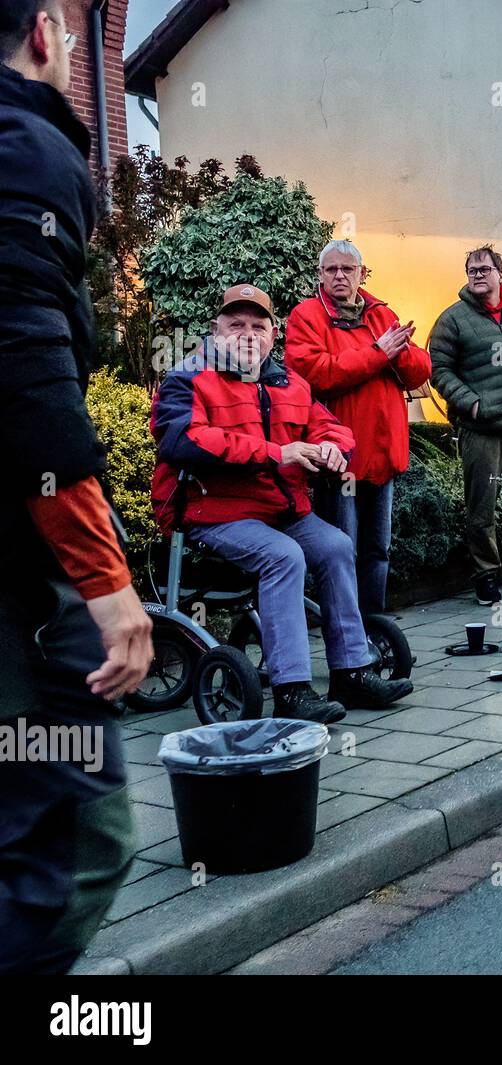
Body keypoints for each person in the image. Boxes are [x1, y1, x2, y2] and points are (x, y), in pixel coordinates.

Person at [0, 0, 150, 975]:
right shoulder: (23, 147)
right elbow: (24, 378)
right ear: (51, 34)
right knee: (76, 839)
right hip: (21, 578)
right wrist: (110, 588)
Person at [152, 285, 414, 724]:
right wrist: (277, 453)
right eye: (236, 325)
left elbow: (332, 427)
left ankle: (351, 671)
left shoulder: (290, 383)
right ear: (216, 331)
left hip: (280, 510)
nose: (248, 334)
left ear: (273, 335)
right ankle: (292, 690)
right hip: (213, 511)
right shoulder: (186, 378)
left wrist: (333, 450)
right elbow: (182, 440)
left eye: (258, 325)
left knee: (335, 545)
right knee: (284, 556)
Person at [285, 240, 432, 615]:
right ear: (319, 275)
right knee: (342, 550)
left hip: (384, 455)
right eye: (331, 269)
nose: (339, 276)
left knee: (377, 551)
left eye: (347, 269)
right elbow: (314, 374)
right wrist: (378, 353)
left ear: (360, 274)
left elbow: (419, 372)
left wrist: (401, 352)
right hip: (340, 460)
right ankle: (346, 635)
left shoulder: (381, 313)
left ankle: (374, 630)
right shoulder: (306, 316)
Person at [428, 245, 502, 604]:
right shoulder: (453, 319)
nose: (477, 275)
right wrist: (472, 405)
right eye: (471, 270)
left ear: (499, 274)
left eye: (484, 269)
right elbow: (438, 370)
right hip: (481, 429)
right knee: (481, 506)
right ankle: (486, 575)